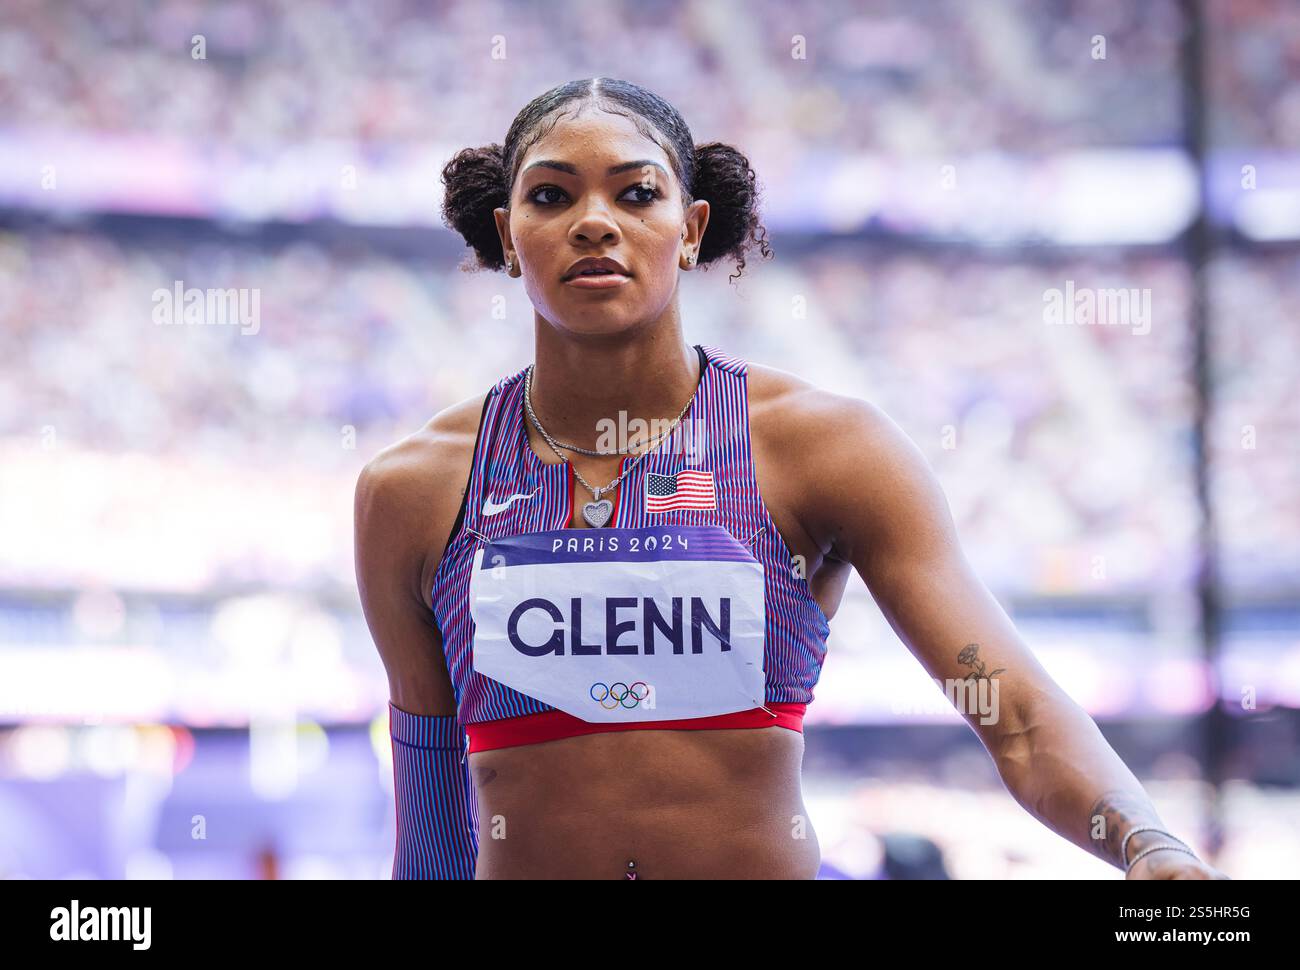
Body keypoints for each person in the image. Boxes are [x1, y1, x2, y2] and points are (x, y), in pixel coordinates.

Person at [354, 77, 1228, 880]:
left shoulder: (824, 450)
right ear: (507, 237)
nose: (594, 221)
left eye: (636, 193)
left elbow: (1017, 715)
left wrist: (1150, 846)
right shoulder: (413, 491)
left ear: (691, 229)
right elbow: (431, 801)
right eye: (551, 195)